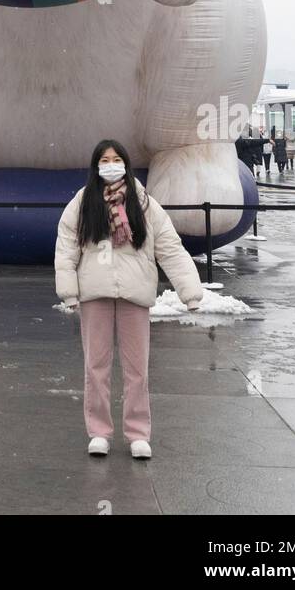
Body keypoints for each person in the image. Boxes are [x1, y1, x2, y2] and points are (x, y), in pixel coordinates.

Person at [55, 139, 203, 461]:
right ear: (96, 165)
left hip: (135, 294)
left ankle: (138, 433)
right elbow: (66, 246)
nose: (111, 164)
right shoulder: (83, 202)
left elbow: (169, 246)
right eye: (105, 159)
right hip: (95, 293)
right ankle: (99, 432)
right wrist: (68, 290)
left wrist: (190, 291)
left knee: (138, 369)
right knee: (96, 367)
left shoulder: (144, 203)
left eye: (116, 158)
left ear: (126, 163)